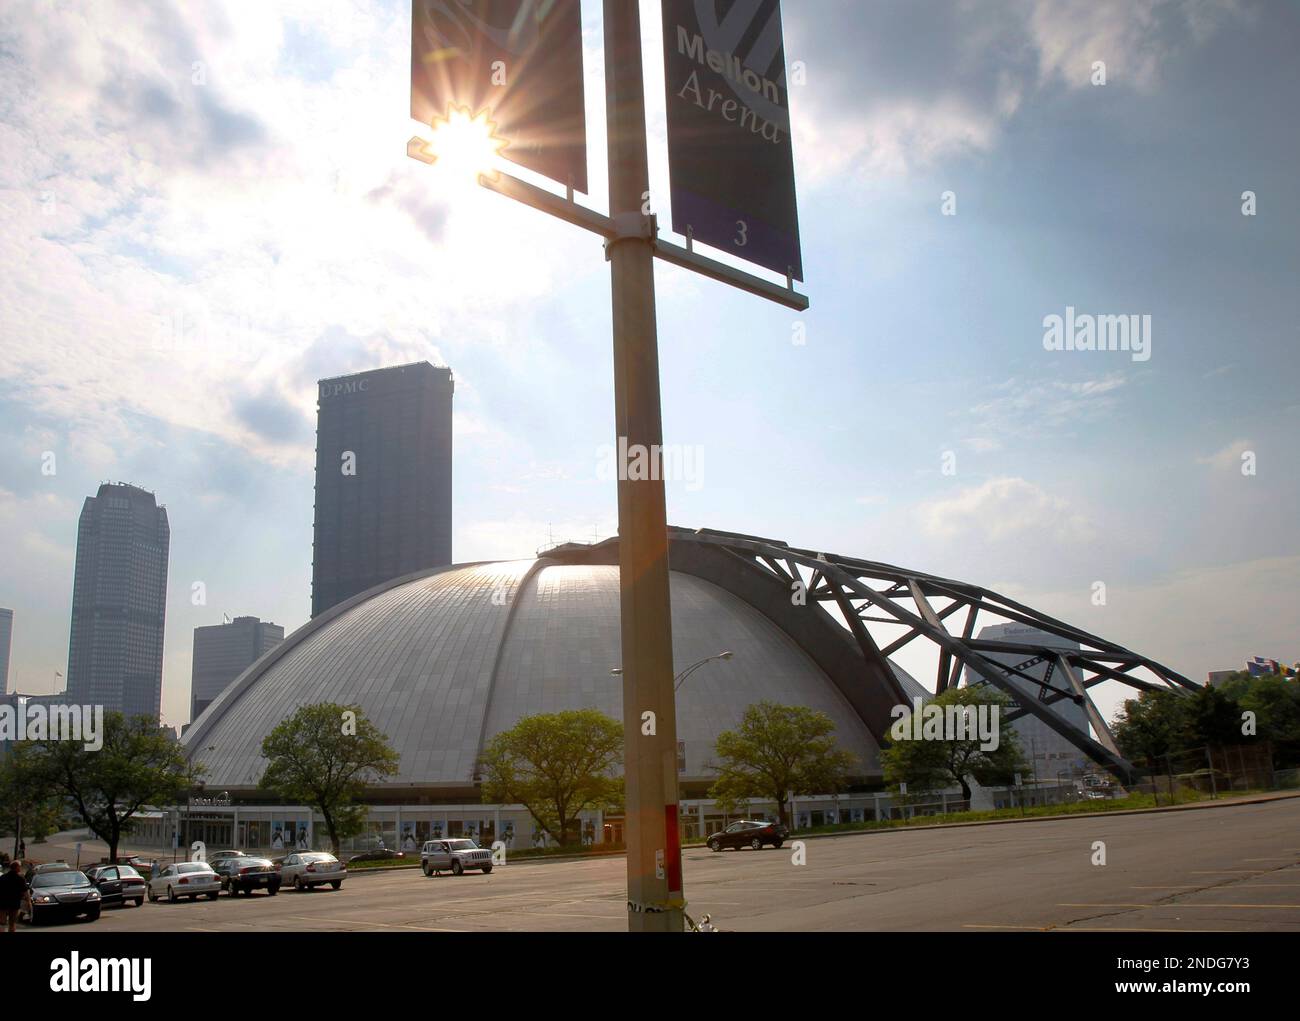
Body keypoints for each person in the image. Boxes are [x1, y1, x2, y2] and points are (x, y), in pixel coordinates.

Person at [0, 860, 27, 933]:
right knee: (12, 923)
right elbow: (25, 892)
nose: (20, 868)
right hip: (15, 903)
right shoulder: (20, 878)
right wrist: (27, 902)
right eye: (20, 866)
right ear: (17, 867)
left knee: (2, 923)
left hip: (3, 902)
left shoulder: (3, 877)